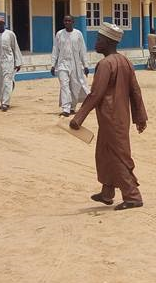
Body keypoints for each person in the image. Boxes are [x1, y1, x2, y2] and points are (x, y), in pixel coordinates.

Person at [71, 22, 148, 211]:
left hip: (110, 117)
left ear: (107, 42)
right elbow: (135, 91)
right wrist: (140, 117)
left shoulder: (105, 64)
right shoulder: (125, 62)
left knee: (118, 156)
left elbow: (95, 94)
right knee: (105, 154)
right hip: (119, 117)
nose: (96, 43)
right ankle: (107, 192)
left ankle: (132, 196)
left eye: (99, 40)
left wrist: (78, 117)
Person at [51, 14, 90, 117]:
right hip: (62, 64)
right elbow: (55, 49)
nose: (67, 22)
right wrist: (53, 65)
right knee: (64, 85)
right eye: (65, 21)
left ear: (73, 22)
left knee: (75, 86)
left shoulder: (78, 34)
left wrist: (85, 65)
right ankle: (66, 108)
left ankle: (72, 107)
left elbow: (83, 50)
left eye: (69, 21)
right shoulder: (59, 34)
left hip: (75, 64)